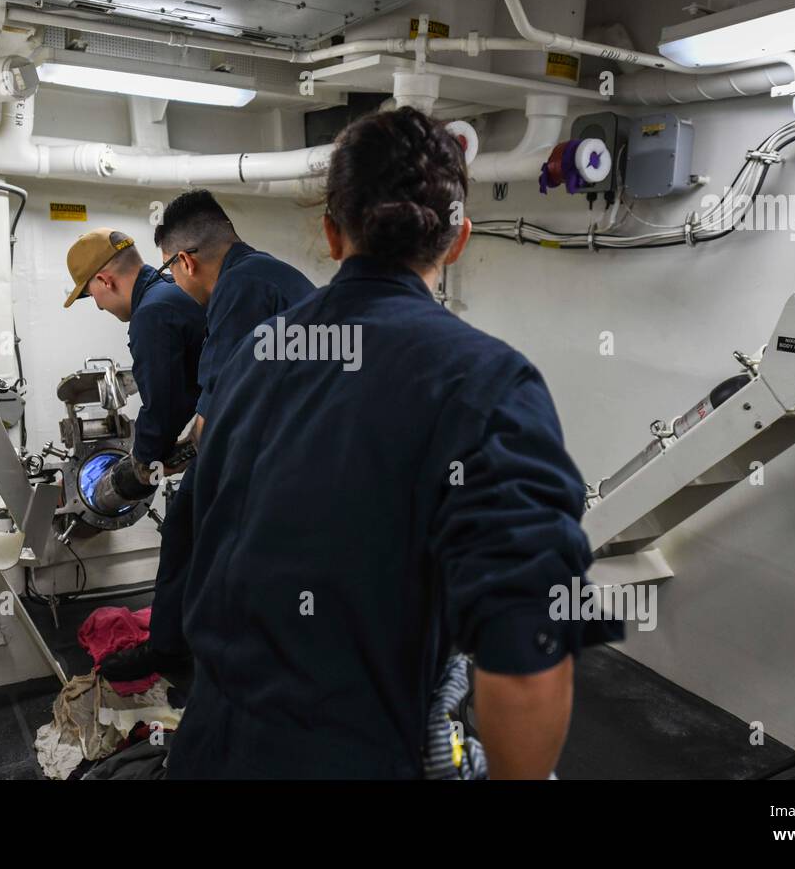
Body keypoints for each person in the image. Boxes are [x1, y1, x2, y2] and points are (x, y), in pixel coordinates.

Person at [168, 107, 622, 779]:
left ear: (331, 233)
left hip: (205, 747)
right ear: (458, 238)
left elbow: (203, 531)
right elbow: (527, 656)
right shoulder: (487, 382)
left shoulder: (258, 354)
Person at [102, 190, 315, 683]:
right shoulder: (270, 274)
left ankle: (191, 660)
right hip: (297, 439)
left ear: (185, 261)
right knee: (192, 527)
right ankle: (189, 649)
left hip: (286, 453)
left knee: (193, 531)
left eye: (169, 268)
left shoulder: (237, 289)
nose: (172, 281)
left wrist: (152, 460)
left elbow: (211, 417)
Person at [63, 228, 205, 683]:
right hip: (238, 435)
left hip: (236, 444)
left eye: (92, 296)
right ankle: (180, 646)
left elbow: (164, 406)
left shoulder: (152, 314)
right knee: (189, 540)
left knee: (186, 540)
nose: (99, 307)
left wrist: (142, 465)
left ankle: (174, 654)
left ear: (105, 280)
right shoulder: (171, 293)